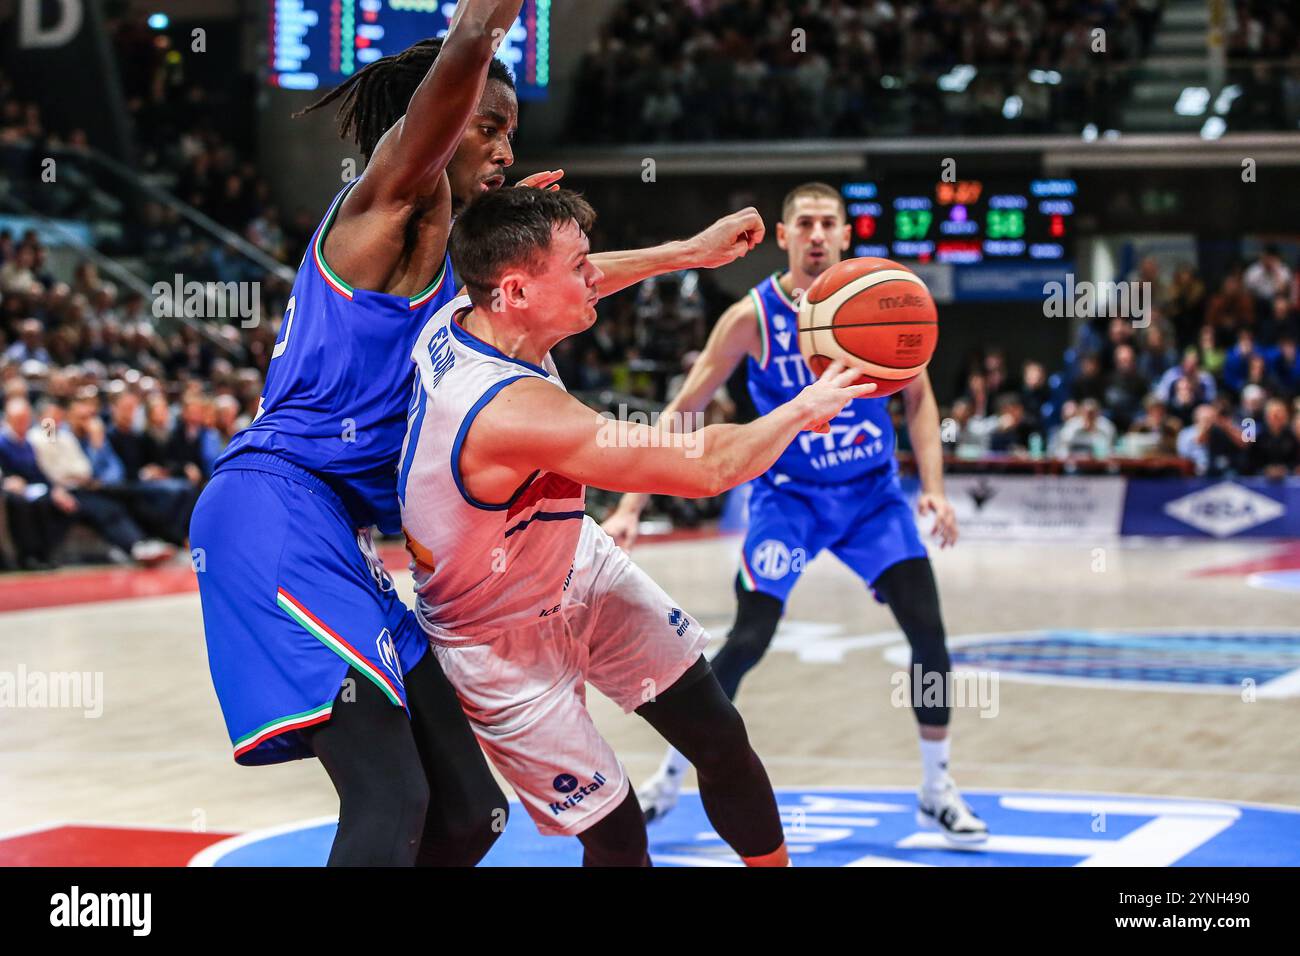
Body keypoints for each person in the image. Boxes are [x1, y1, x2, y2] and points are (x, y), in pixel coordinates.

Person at [190, 1, 775, 866]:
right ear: (434, 123)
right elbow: (466, 43)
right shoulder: (387, 205)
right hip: (275, 510)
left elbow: (563, 278)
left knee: (470, 815)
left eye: (511, 132)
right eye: (487, 127)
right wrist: (486, 28)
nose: (505, 149)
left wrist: (684, 253)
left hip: (342, 533)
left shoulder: (449, 274)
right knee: (391, 796)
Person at [400, 186, 871, 866]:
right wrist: (804, 407)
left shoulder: (469, 310)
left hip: (571, 561)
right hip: (496, 637)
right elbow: (706, 467)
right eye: (579, 266)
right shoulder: (510, 412)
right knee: (619, 835)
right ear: (518, 292)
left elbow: (579, 275)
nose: (596, 275)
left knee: (718, 733)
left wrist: (688, 253)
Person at [604, 182, 989, 845]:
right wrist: (630, 505)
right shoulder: (751, 316)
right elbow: (687, 406)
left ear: (846, 234)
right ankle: (670, 775)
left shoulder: (882, 299)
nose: (816, 234)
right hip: (789, 497)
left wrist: (934, 487)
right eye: (804, 223)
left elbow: (919, 398)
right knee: (749, 638)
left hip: (871, 498)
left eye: (828, 223)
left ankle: (937, 788)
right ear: (783, 236)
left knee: (928, 633)